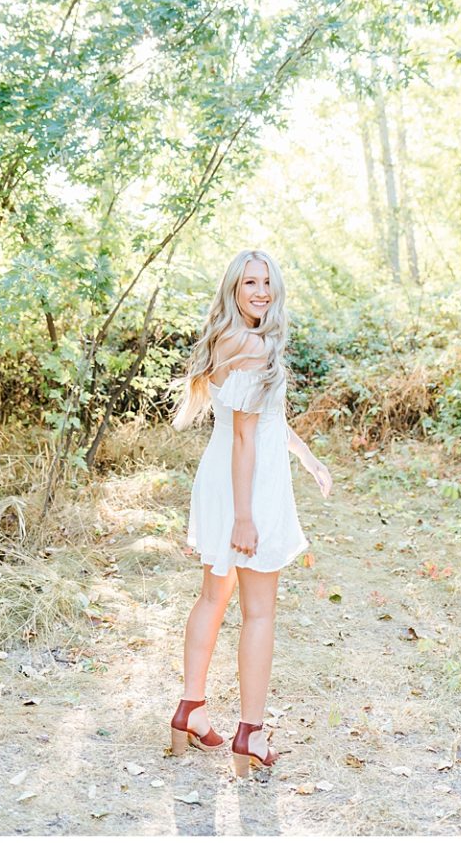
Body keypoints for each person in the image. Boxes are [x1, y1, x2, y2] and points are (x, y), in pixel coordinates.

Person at [168, 249, 332, 778]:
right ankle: (251, 734)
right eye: (249, 283)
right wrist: (245, 516)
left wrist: (307, 457)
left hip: (220, 475)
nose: (261, 292)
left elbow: (263, 420)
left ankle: (191, 710)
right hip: (248, 484)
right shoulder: (255, 345)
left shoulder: (227, 337)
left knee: (213, 596)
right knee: (258, 611)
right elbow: (246, 437)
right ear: (233, 289)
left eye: (266, 282)